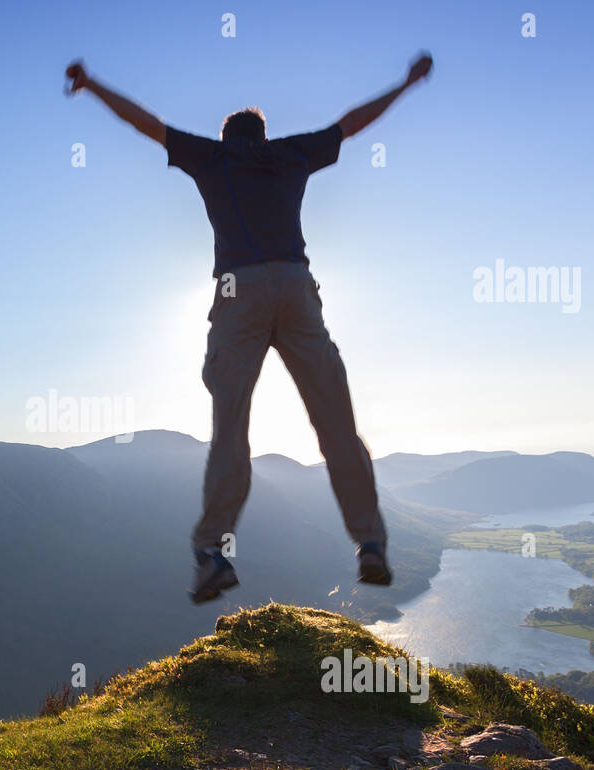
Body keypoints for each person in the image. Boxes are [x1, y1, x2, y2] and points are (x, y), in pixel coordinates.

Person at [65, 52, 434, 603]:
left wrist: (91, 84)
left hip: (237, 290)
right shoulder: (291, 154)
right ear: (263, 135)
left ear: (227, 137)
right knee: (334, 418)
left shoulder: (210, 158)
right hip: (294, 284)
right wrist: (405, 85)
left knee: (231, 427)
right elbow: (354, 122)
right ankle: (371, 543)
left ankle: (212, 552)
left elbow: (142, 122)